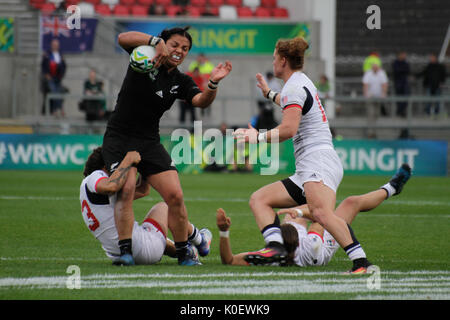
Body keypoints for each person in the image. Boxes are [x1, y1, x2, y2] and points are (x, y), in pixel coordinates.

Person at [233, 36, 372, 273]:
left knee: (320, 213)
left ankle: (362, 263)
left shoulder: (294, 87)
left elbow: (288, 129)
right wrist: (269, 94)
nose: (273, 61)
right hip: (311, 165)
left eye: (275, 57)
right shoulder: (298, 83)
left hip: (317, 161)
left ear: (283, 60)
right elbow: (289, 103)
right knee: (259, 199)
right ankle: (275, 247)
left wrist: (257, 137)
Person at [102, 26, 231, 266]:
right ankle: (126, 253)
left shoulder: (180, 80)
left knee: (175, 195)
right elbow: (121, 38)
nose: (179, 51)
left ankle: (184, 253)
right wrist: (154, 41)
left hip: (149, 141)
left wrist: (213, 83)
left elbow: (200, 101)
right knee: (127, 188)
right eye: (175, 45)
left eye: (185, 48)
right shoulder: (146, 56)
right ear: (164, 43)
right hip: (119, 137)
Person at [216, 164, 412, 270]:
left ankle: (392, 188)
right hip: (320, 249)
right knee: (352, 203)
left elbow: (229, 260)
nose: (285, 219)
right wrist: (300, 212)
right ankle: (391, 188)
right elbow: (321, 219)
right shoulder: (308, 243)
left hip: (309, 248)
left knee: (337, 205)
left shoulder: (271, 257)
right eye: (288, 221)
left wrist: (224, 233)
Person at [80, 147, 212, 266]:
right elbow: (111, 186)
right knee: (164, 207)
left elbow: (143, 190)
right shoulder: (96, 176)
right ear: (105, 165)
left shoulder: (87, 191)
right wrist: (128, 160)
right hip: (138, 248)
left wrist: (143, 166)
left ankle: (188, 250)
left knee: (148, 232)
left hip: (118, 253)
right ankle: (200, 240)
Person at [41, 38, 66, 117]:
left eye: (56, 45)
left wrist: (61, 75)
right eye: (54, 45)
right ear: (52, 46)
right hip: (50, 78)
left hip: (57, 78)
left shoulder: (60, 55)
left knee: (59, 92)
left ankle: (56, 109)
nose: (55, 46)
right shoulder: (47, 54)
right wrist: (46, 74)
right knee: (54, 91)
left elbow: (64, 66)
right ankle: (60, 108)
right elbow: (43, 66)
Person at [363, 61, 388, 137]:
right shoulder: (368, 73)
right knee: (371, 113)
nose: (375, 68)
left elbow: (384, 84)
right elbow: (365, 84)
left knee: (376, 114)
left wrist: (383, 94)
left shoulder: (382, 73)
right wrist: (366, 94)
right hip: (371, 97)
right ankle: (370, 132)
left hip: (378, 97)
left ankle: (374, 130)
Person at [392, 52, 410, 118]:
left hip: (404, 83)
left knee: (406, 97)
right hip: (398, 82)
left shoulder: (405, 62)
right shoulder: (395, 63)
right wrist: (403, 70)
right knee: (399, 97)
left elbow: (408, 70)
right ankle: (400, 111)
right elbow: (397, 71)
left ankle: (401, 110)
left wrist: (402, 70)